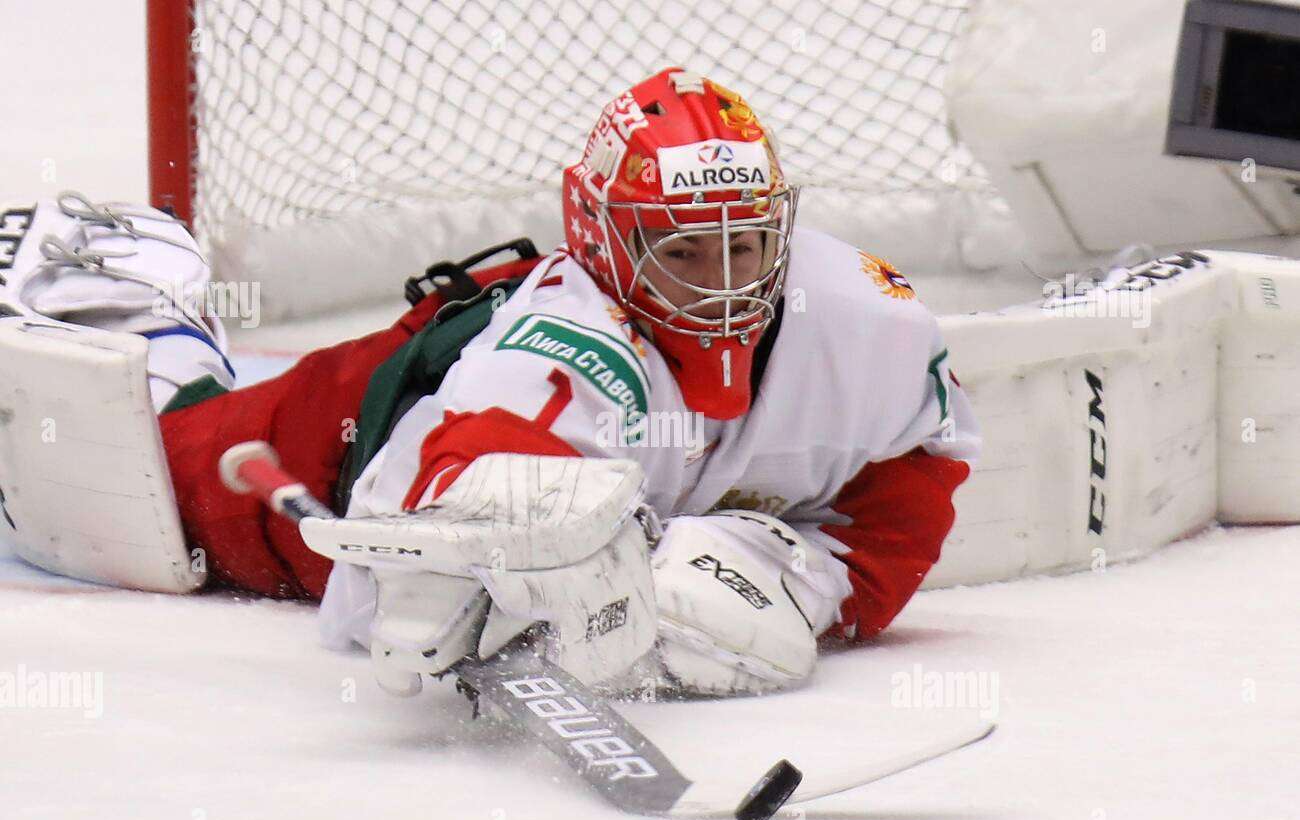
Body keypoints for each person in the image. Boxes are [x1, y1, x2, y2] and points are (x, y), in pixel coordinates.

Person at [0, 68, 979, 697]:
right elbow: (397, 553)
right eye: (685, 250)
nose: (729, 282)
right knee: (144, 479)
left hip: (499, 406)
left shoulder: (863, 318)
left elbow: (909, 490)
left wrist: (793, 583)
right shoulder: (557, 352)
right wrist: (444, 586)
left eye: (749, 242)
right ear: (600, 235)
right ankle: (129, 297)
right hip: (356, 429)